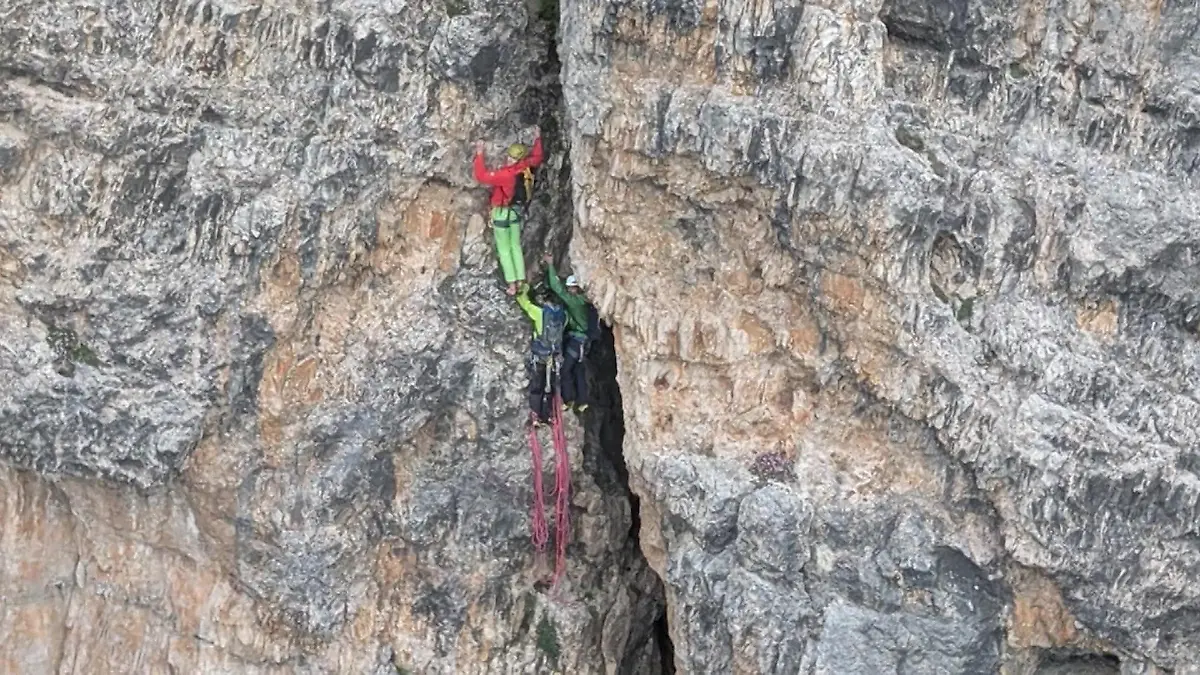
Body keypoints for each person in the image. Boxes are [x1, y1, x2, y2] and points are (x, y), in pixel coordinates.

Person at [473, 127, 544, 296]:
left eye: (511, 156)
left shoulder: (506, 174)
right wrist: (538, 140)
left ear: (515, 158)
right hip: (516, 212)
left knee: (504, 249)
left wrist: (480, 153)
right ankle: (520, 280)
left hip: (501, 213)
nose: (508, 158)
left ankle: (512, 285)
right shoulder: (525, 166)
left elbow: (481, 176)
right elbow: (538, 157)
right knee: (516, 246)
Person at [543, 254, 591, 413]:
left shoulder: (574, 301)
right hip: (583, 341)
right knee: (578, 370)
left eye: (570, 287)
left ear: (574, 288)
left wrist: (550, 265)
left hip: (577, 340)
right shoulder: (583, 300)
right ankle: (583, 401)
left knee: (566, 369)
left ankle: (569, 399)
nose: (569, 290)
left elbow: (557, 288)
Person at [515, 282, 567, 425]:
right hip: (554, 358)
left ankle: (535, 416)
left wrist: (524, 288)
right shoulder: (563, 315)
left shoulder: (540, 313)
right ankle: (548, 415)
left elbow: (523, 303)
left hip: (540, 356)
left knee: (537, 387)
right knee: (549, 386)